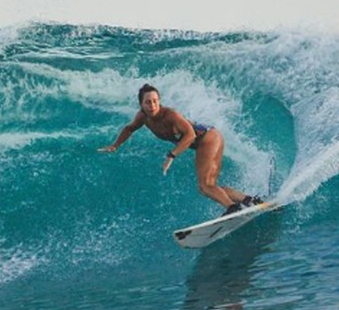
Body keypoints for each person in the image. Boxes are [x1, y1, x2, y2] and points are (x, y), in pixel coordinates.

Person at [99, 84, 261, 215]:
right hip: (204, 141)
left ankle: (233, 208)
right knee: (210, 187)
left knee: (205, 186)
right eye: (148, 102)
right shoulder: (143, 117)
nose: (152, 105)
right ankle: (248, 200)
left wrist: (172, 155)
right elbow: (130, 128)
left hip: (208, 138)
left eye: (155, 101)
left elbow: (190, 134)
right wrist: (115, 145)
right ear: (141, 104)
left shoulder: (170, 115)